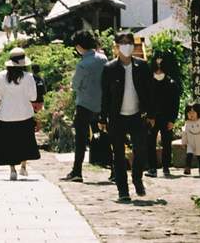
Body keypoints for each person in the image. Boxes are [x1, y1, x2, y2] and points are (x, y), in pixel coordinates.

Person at [102, 30, 154, 203]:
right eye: (123, 43)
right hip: (116, 116)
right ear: (117, 47)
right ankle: (122, 190)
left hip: (137, 115)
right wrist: (102, 118)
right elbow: (105, 95)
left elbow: (150, 92)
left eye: (129, 43)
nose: (127, 46)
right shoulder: (109, 68)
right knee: (118, 154)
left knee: (140, 151)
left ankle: (137, 178)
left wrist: (151, 114)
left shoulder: (142, 66)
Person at [0, 47, 40, 180]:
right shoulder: (28, 77)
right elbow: (33, 97)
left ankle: (12, 170)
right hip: (24, 113)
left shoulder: (0, 76)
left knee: (9, 144)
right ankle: (23, 166)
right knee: (24, 142)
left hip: (6, 114)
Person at [63, 30, 106, 183]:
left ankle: (77, 171)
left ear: (79, 47)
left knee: (81, 140)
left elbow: (75, 85)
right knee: (107, 136)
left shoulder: (82, 64)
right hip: (102, 104)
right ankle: (114, 170)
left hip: (85, 104)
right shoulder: (103, 59)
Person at [146, 53, 180, 177]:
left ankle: (166, 167)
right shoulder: (148, 82)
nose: (159, 68)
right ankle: (152, 168)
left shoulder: (171, 82)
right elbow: (146, 100)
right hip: (152, 118)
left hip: (166, 117)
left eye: (161, 64)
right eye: (157, 64)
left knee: (166, 143)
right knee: (150, 143)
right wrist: (149, 116)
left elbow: (175, 103)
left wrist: (172, 119)